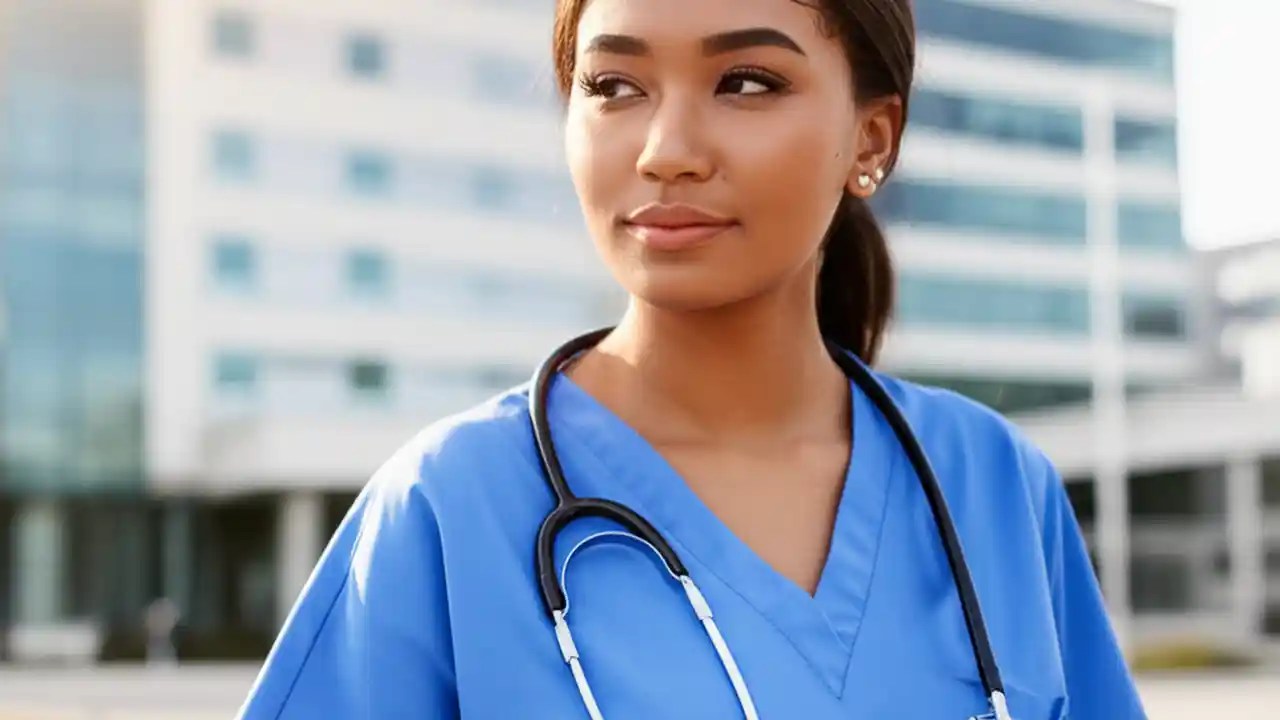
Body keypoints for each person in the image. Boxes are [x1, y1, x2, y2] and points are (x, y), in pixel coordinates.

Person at [238, 0, 1146, 717]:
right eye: (614, 86)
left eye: (746, 82)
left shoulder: (991, 486)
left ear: (871, 139)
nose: (666, 151)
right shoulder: (450, 505)